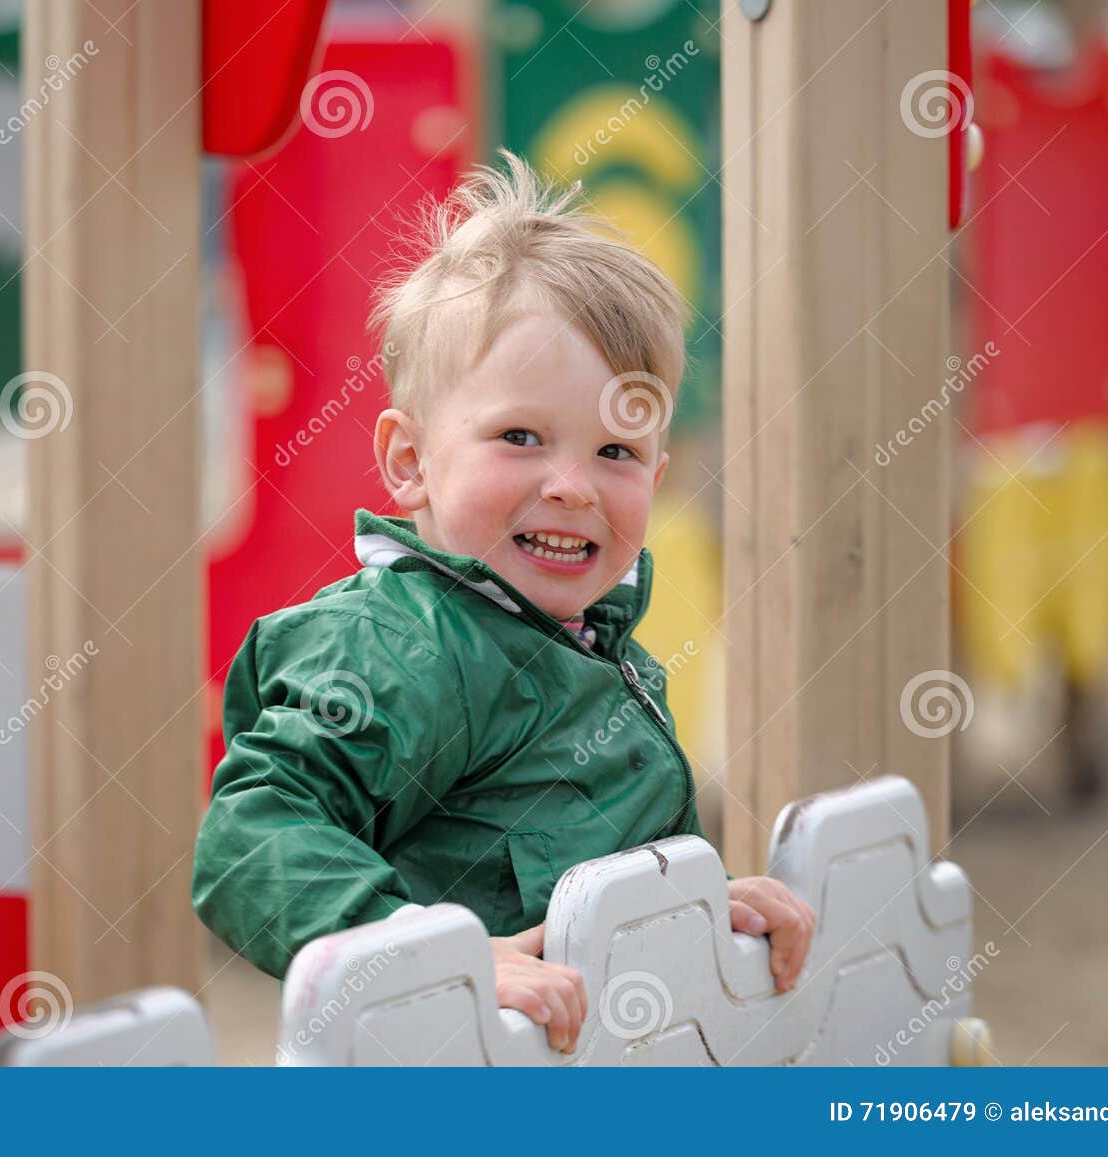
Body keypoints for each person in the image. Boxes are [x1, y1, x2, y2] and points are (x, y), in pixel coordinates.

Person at [193, 150, 815, 1055]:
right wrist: (427, 954)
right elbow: (253, 835)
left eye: (616, 452)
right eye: (520, 436)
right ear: (410, 460)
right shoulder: (399, 646)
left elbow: (581, 873)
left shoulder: (604, 652)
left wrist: (686, 906)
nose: (572, 485)